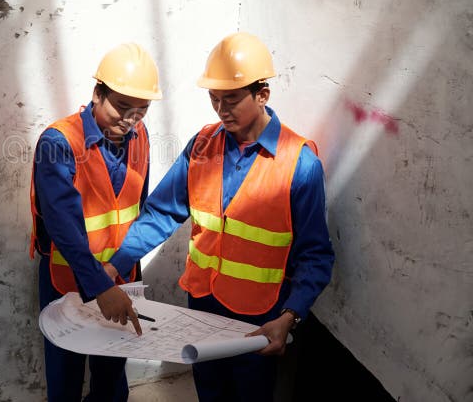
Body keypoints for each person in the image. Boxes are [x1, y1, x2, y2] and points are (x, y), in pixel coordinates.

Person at [105, 32, 335, 402]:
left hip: (260, 316)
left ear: (262, 95)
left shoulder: (299, 163)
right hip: (203, 304)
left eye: (231, 99)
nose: (221, 109)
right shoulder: (202, 145)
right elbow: (162, 212)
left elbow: (316, 255)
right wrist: (116, 266)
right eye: (214, 99)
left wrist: (289, 317)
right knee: (209, 393)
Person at [29, 43, 163, 402]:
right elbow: (64, 229)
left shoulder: (141, 138)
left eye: (142, 110)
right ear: (97, 94)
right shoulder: (59, 143)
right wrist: (100, 288)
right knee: (66, 377)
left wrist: (120, 276)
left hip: (121, 279)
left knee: (110, 377)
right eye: (121, 106)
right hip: (67, 283)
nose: (130, 119)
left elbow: (139, 208)